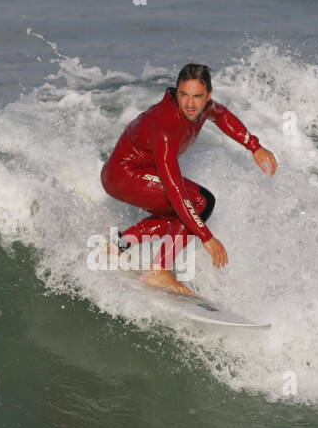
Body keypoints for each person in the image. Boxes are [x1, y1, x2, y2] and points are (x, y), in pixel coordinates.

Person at [100, 64, 278, 294]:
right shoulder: (165, 125)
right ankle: (159, 270)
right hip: (124, 175)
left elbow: (222, 116)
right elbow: (174, 188)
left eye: (197, 96)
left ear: (208, 96)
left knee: (179, 219)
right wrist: (206, 237)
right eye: (184, 95)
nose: (190, 104)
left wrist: (255, 147)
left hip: (129, 173)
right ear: (176, 92)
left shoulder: (204, 108)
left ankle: (118, 246)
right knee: (200, 203)